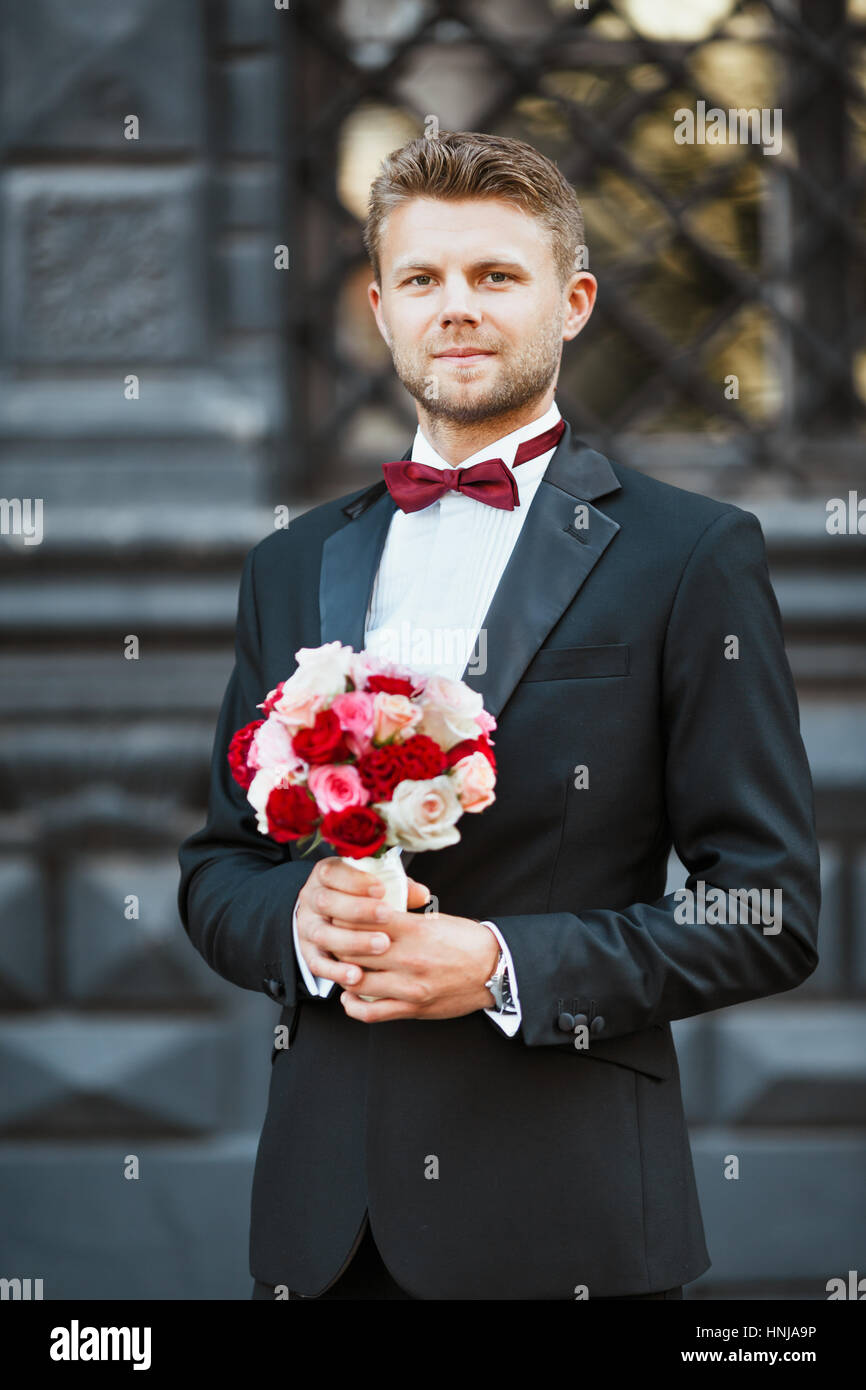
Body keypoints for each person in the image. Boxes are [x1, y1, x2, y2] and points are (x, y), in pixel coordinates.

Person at [177, 131, 820, 1301]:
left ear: (570, 303)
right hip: (322, 1239)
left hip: (565, 1226)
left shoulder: (690, 556)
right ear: (378, 307)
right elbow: (220, 869)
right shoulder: (290, 561)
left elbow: (764, 910)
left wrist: (496, 963)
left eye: (495, 276)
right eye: (421, 279)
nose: (454, 307)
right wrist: (299, 926)